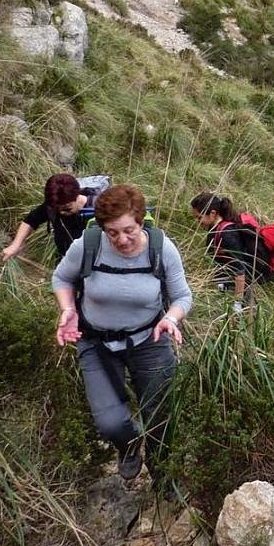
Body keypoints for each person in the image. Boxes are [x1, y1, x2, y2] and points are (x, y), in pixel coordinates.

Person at [53, 183, 191, 484]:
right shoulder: (87, 245)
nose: (122, 240)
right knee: (110, 423)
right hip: (95, 342)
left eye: (129, 230)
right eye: (112, 232)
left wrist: (171, 318)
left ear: (141, 221)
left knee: (160, 417)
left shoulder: (161, 248)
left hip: (150, 341)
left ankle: (163, 474)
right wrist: (68, 310)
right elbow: (62, 277)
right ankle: (128, 445)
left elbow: (182, 297)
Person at [189, 192, 274, 307]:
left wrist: (237, 304)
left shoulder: (227, 235)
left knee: (240, 319)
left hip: (241, 287)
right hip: (227, 284)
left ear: (213, 213)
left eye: (199, 217)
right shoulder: (214, 229)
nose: (197, 221)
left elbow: (240, 271)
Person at [0, 173, 100, 266]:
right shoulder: (52, 206)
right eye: (57, 209)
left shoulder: (99, 209)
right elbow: (30, 221)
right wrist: (16, 245)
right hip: (68, 261)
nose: (61, 213)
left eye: (67, 208)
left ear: (77, 196)